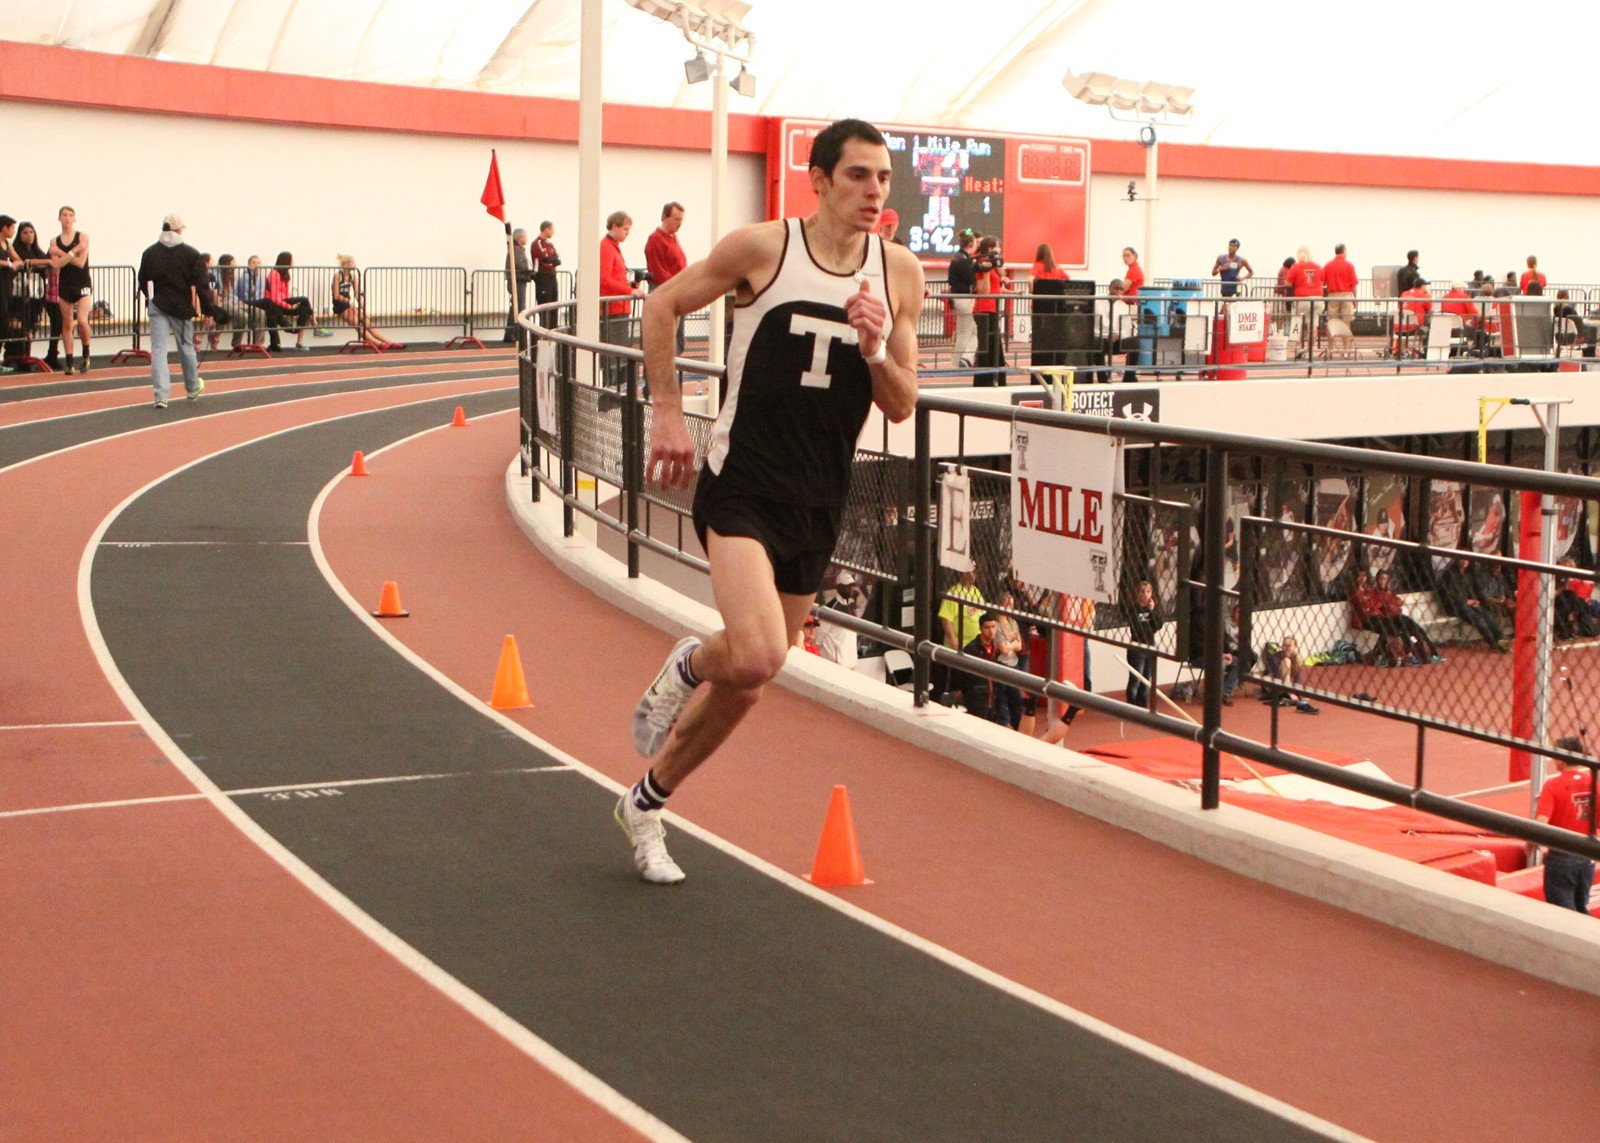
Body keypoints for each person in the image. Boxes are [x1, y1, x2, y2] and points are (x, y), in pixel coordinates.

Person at [617, 117, 924, 884]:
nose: (874, 192)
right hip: (743, 482)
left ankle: (647, 802)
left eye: (883, 178)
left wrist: (877, 348)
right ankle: (690, 661)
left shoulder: (900, 273)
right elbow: (662, 307)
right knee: (754, 652)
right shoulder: (763, 249)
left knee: (752, 683)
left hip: (818, 498)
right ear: (817, 180)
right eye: (857, 176)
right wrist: (665, 410)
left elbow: (903, 404)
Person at [136, 213, 208, 410]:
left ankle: (161, 395)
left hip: (157, 306)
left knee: (158, 350)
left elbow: (142, 280)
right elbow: (200, 283)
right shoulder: (190, 254)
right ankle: (193, 387)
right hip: (181, 308)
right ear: (179, 230)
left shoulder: (149, 253)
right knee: (186, 348)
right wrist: (208, 307)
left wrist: (151, 298)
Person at [1535, 737, 1596, 914]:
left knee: (1562, 911)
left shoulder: (1553, 785)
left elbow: (1542, 821)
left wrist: (1531, 843)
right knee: (1581, 906)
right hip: (1586, 856)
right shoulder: (1593, 783)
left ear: (1560, 758)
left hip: (1562, 856)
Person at [600, 210, 646, 388]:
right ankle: (611, 394)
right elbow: (604, 279)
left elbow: (613, 278)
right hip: (613, 311)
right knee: (614, 358)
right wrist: (629, 290)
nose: (628, 233)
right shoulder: (606, 247)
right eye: (625, 229)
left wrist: (631, 286)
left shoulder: (612, 247)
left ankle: (616, 392)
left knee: (619, 357)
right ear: (614, 227)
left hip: (619, 308)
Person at [50, 205, 93, 374]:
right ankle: (69, 362)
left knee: (82, 320)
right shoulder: (54, 241)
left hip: (82, 282)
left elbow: (80, 263)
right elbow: (55, 265)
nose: (67, 218)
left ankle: (86, 354)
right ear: (59, 218)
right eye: (64, 215)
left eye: (70, 215)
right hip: (65, 284)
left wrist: (64, 253)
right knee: (67, 323)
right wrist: (72, 252)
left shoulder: (82, 236)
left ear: (74, 219)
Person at [644, 201, 688, 355]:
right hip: (666, 292)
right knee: (667, 340)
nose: (679, 223)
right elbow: (659, 271)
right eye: (676, 219)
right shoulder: (656, 239)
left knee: (677, 339)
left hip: (676, 291)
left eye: (681, 219)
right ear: (664, 217)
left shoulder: (673, 238)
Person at [939, 566, 987, 704]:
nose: (971, 575)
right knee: (961, 678)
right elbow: (946, 618)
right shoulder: (954, 592)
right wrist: (953, 638)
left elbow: (983, 615)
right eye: (968, 572)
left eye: (973, 572)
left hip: (976, 645)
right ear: (962, 573)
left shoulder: (976, 592)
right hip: (960, 645)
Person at [1438, 556, 1506, 650]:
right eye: (1462, 559)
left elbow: (1471, 591)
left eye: (1467, 559)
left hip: (1468, 605)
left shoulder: (1467, 574)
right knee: (1478, 619)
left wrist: (1474, 600)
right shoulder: (1449, 574)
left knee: (1487, 615)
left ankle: (1501, 638)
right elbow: (1448, 595)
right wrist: (1466, 601)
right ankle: (1493, 642)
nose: (1465, 561)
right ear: (1457, 560)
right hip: (1455, 606)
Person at [331, 255, 398, 350]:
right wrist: (349, 301)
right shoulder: (338, 276)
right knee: (357, 322)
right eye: (352, 263)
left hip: (349, 305)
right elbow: (336, 295)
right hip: (340, 306)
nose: (354, 265)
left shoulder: (353, 276)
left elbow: (357, 294)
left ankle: (389, 342)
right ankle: (377, 343)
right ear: (346, 264)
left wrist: (363, 307)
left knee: (367, 321)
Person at [13, 221, 55, 367]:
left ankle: (27, 356)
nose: (29, 235)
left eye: (31, 232)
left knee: (31, 325)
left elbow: (48, 262)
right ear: (19, 235)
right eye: (25, 233)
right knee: (19, 325)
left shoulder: (38, 250)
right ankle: (15, 356)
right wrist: (46, 262)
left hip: (36, 294)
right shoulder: (16, 249)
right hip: (19, 293)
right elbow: (26, 261)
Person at [961, 613, 1009, 725]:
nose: (991, 631)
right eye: (987, 627)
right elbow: (965, 677)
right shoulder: (971, 649)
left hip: (995, 694)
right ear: (980, 629)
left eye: (993, 627)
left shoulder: (997, 647)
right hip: (977, 696)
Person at [972, 235, 1007, 386]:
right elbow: (984, 291)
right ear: (989, 249)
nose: (999, 250)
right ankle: (983, 380)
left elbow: (1000, 281)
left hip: (993, 308)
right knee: (986, 346)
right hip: (984, 309)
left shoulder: (994, 265)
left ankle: (997, 378)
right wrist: (986, 271)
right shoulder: (981, 265)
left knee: (995, 345)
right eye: (996, 247)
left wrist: (996, 266)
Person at [264, 252, 314, 352]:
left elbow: (286, 293)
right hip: (273, 304)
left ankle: (299, 341)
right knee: (304, 300)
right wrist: (289, 306)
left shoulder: (286, 274)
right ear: (286, 261)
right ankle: (315, 325)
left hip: (282, 301)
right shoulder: (274, 274)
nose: (293, 262)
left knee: (304, 307)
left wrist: (292, 302)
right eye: (292, 260)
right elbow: (274, 297)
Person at [1124, 579, 1162, 709]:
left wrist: (1152, 611)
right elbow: (1138, 627)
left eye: (1148, 591)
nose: (1145, 594)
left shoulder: (1153, 608)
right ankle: (1131, 706)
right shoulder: (1133, 609)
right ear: (1138, 593)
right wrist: (1149, 624)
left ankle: (1142, 706)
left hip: (1150, 646)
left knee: (1146, 680)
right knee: (1135, 680)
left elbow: (1158, 625)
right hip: (1137, 648)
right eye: (1142, 592)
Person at [814, 569, 865, 666]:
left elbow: (865, 606)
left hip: (851, 661)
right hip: (835, 663)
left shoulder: (851, 604)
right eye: (847, 587)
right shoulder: (831, 608)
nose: (849, 590)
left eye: (851, 587)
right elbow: (819, 635)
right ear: (839, 588)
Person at [992, 591, 1027, 730]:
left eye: (1011, 605)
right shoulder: (996, 623)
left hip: (1014, 663)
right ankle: (1004, 724)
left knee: (1017, 699)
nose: (1010, 608)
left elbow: (1019, 645)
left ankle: (1016, 725)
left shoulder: (1013, 622)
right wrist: (1010, 644)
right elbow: (1003, 649)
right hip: (1002, 663)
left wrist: (1009, 644)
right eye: (1007, 605)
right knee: (1001, 699)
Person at [1261, 637, 1319, 713]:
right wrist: (1290, 692)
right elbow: (1277, 676)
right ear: (1282, 646)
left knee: (1304, 694)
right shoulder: (1275, 657)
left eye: (1289, 645)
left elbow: (1297, 678)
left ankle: (1299, 703)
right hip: (1272, 685)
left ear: (1295, 647)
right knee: (1286, 661)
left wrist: (1299, 692)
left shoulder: (1297, 658)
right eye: (1285, 645)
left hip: (1286, 684)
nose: (1287, 648)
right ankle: (1288, 693)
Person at [946, 229, 978, 367]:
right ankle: (961, 360)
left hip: (958, 298)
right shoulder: (963, 261)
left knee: (966, 332)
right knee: (968, 332)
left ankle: (962, 359)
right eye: (976, 243)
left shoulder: (958, 258)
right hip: (964, 299)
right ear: (970, 244)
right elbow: (971, 278)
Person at [1286, 246, 1324, 357]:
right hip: (1317, 298)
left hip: (1302, 298)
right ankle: (1309, 351)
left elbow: (1288, 283)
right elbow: (1322, 280)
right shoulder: (1318, 267)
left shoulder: (1296, 266)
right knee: (1313, 326)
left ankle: (1298, 347)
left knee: (1297, 322)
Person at [504, 227, 533, 344]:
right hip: (518, 281)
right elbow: (519, 265)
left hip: (518, 281)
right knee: (518, 308)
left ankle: (513, 332)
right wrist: (529, 272)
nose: (526, 238)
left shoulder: (516, 249)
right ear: (520, 238)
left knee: (516, 307)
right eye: (525, 236)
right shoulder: (516, 250)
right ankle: (513, 333)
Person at [0, 215, 22, 370]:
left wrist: (19, 263)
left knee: (4, 325)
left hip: (6, 287)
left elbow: (17, 259)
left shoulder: (7, 243)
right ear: (4, 228)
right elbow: (9, 262)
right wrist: (8, 264)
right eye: (12, 228)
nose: (14, 231)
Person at [531, 221, 561, 330]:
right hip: (543, 278)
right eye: (552, 229)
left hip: (553, 278)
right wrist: (552, 260)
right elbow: (545, 258)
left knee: (554, 305)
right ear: (546, 229)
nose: (553, 232)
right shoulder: (537, 243)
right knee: (545, 306)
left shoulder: (550, 244)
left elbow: (557, 259)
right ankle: (544, 332)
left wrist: (552, 260)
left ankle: (554, 331)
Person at [1323, 242, 1358, 328]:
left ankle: (1331, 341)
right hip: (1346, 296)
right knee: (1346, 322)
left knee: (1332, 323)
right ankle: (1345, 342)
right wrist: (1355, 299)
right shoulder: (1349, 265)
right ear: (1344, 251)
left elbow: (1322, 281)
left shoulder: (1328, 265)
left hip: (1333, 296)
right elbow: (1353, 285)